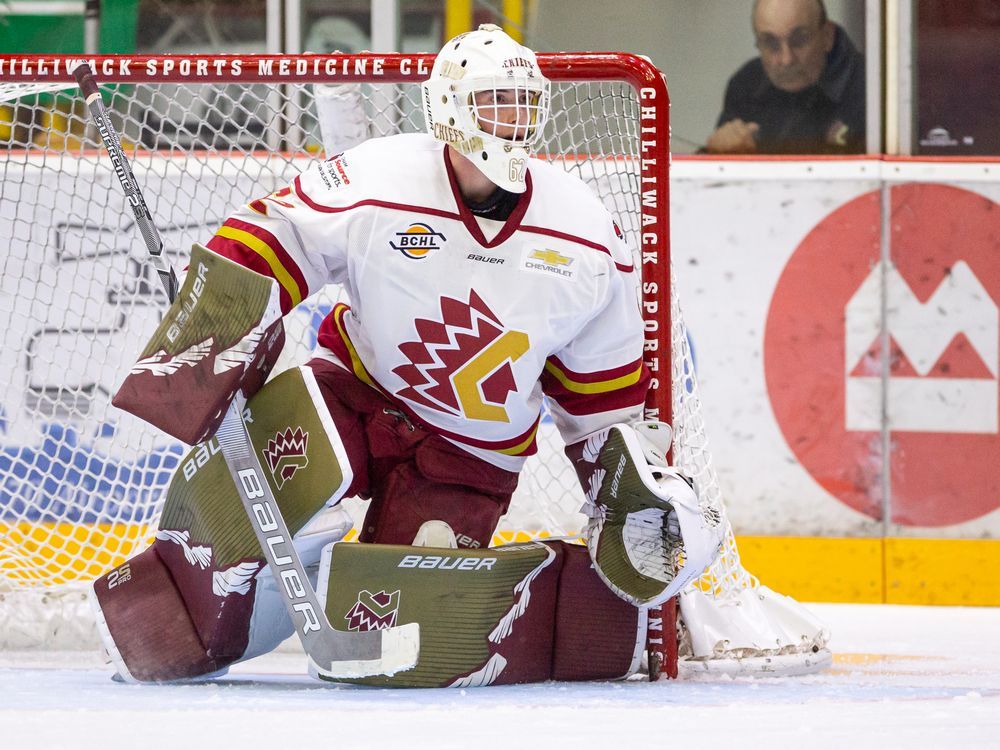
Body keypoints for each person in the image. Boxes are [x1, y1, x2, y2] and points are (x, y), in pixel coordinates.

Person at [94, 25, 722, 687]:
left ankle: (580, 616)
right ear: (450, 108)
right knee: (280, 485)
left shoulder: (587, 234)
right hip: (355, 397)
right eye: (494, 101)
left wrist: (621, 494)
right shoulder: (380, 175)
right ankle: (172, 614)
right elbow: (274, 234)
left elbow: (600, 396)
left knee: (397, 614)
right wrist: (214, 330)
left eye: (522, 101)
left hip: (468, 459)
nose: (513, 118)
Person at [705, 0, 865, 154]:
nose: (786, 60)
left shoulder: (871, 88)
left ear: (827, 36)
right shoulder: (747, 85)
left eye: (799, 40)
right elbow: (710, 178)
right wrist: (717, 153)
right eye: (771, 43)